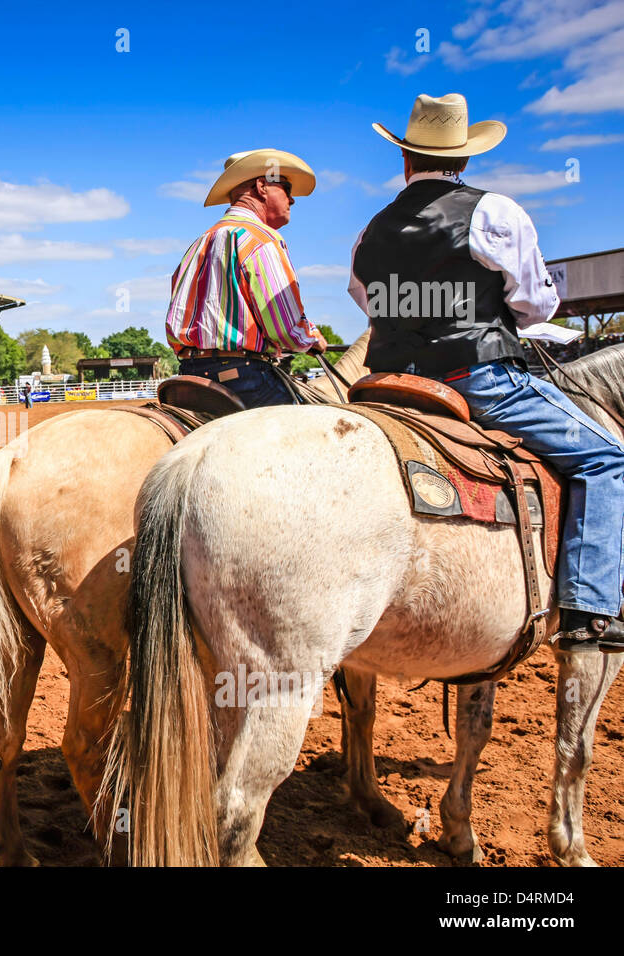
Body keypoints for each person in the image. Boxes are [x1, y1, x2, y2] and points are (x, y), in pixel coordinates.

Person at [348, 92, 624, 652]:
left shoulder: (370, 230)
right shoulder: (494, 211)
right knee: (605, 457)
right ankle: (588, 610)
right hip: (478, 381)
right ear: (465, 159)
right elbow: (535, 307)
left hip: (387, 385)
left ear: (405, 159)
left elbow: (364, 298)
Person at [166, 148, 328, 407]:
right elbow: (284, 328)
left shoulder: (198, 245)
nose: (292, 200)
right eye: (286, 188)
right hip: (245, 379)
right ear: (262, 186)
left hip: (189, 377)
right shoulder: (261, 240)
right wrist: (311, 340)